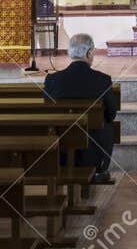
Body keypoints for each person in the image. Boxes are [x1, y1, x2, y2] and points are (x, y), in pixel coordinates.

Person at [42, 33, 118, 184]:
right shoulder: (102, 80)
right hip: (93, 154)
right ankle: (99, 171)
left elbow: (47, 110)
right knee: (108, 125)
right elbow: (111, 114)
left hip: (60, 151)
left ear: (70, 53)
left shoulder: (52, 80)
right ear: (89, 53)